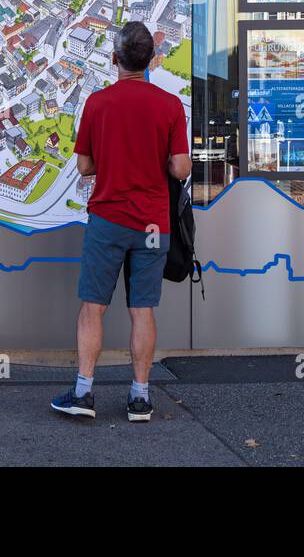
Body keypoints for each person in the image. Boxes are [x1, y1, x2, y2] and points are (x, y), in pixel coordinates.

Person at [52, 22, 191, 423]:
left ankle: (82, 392)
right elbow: (180, 167)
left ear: (114, 59)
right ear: (151, 61)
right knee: (142, 309)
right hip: (152, 225)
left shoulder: (98, 103)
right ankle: (140, 398)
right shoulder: (168, 106)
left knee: (93, 307)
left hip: (109, 219)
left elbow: (84, 166)